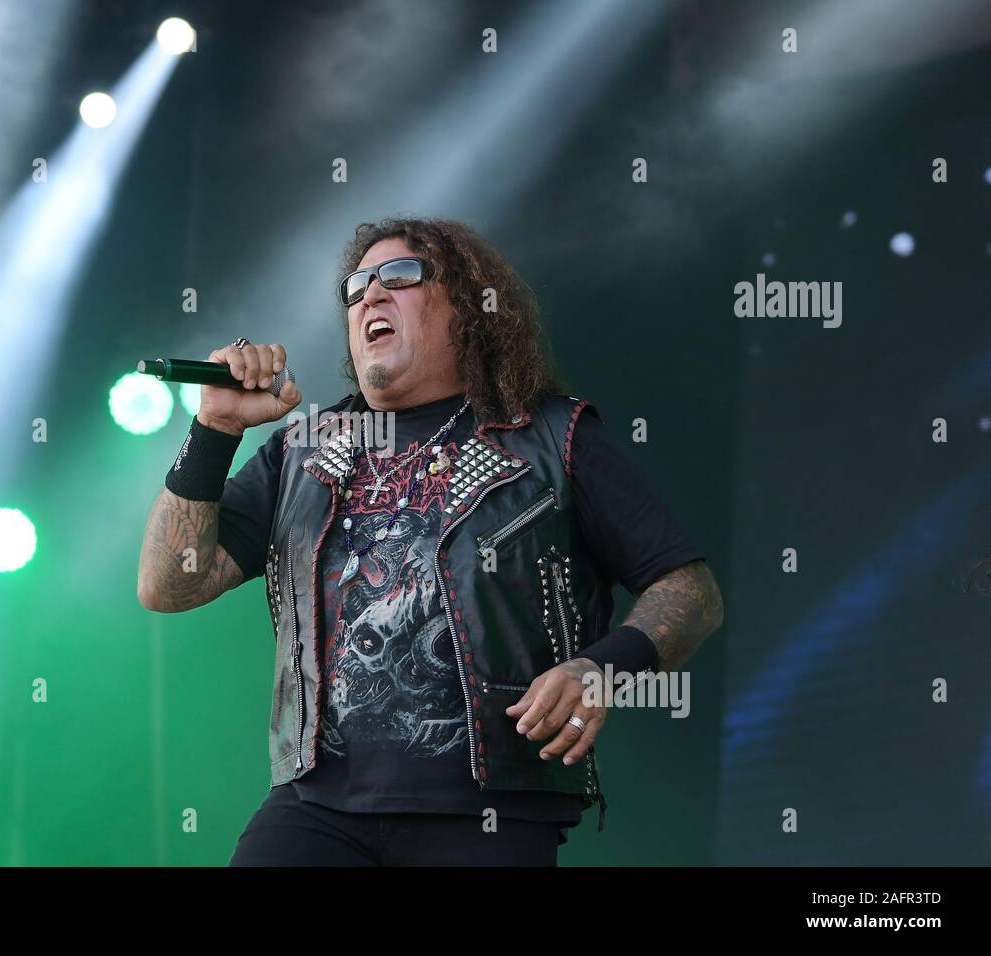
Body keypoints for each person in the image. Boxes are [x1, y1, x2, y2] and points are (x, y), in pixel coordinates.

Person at [137, 216, 724, 866]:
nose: (371, 297)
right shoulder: (304, 450)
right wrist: (215, 429)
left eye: (400, 277)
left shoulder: (555, 438)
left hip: (488, 808)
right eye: (357, 288)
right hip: (317, 805)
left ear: (470, 308)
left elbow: (689, 590)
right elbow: (169, 585)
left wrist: (599, 669)